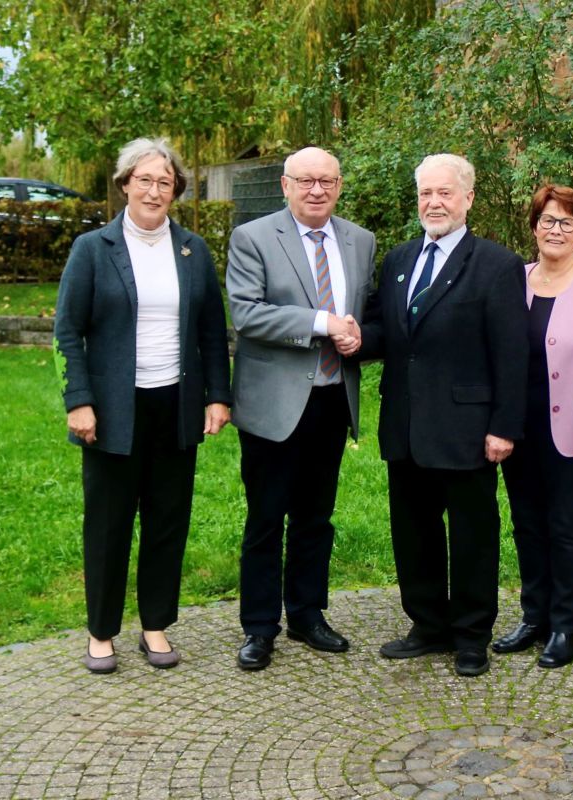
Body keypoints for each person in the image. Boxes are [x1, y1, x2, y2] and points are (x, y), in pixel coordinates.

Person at [54, 137, 232, 673]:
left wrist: (218, 396)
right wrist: (79, 401)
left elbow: (210, 332)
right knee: (108, 523)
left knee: (166, 521)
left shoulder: (193, 250)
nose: (155, 190)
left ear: (175, 190)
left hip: (174, 408)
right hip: (112, 412)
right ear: (125, 183)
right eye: (145, 179)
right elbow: (67, 332)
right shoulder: (93, 249)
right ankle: (102, 632)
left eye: (165, 181)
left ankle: (155, 626)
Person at [359, 153, 528, 678]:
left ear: (468, 199)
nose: (434, 203)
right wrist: (353, 337)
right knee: (413, 529)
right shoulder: (400, 259)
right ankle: (428, 625)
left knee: (473, 533)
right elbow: (388, 334)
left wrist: (504, 426)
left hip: (468, 428)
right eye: (425, 194)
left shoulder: (496, 264)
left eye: (445, 193)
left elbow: (511, 353)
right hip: (407, 423)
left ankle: (472, 634)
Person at [226, 146, 376, 671]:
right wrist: (323, 324)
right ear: (285, 185)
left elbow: (363, 313)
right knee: (266, 517)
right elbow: (246, 314)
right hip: (274, 403)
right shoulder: (253, 237)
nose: (317, 190)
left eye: (327, 181)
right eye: (306, 180)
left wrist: (358, 338)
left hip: (333, 400)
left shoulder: (361, 240)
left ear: (339, 185)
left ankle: (307, 614)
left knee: (316, 517)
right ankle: (259, 627)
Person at [493, 185, 573, 669]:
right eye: (547, 220)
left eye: (567, 222)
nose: (556, 230)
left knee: (565, 526)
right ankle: (534, 618)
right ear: (533, 227)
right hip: (516, 427)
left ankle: (567, 627)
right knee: (526, 523)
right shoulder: (513, 280)